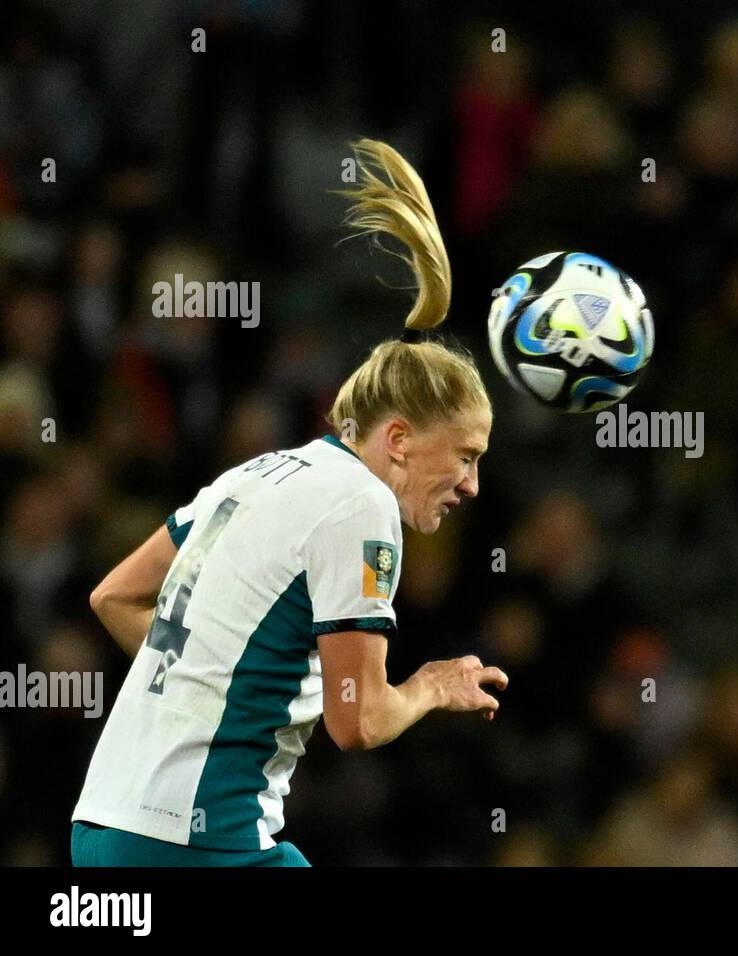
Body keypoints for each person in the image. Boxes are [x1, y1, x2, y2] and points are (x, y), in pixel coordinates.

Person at [70, 139, 506, 866]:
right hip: (201, 842)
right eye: (465, 456)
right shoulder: (362, 508)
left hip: (106, 828)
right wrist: (430, 687)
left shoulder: (260, 473)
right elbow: (358, 722)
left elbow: (113, 597)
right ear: (397, 438)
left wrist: (207, 687)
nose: (472, 485)